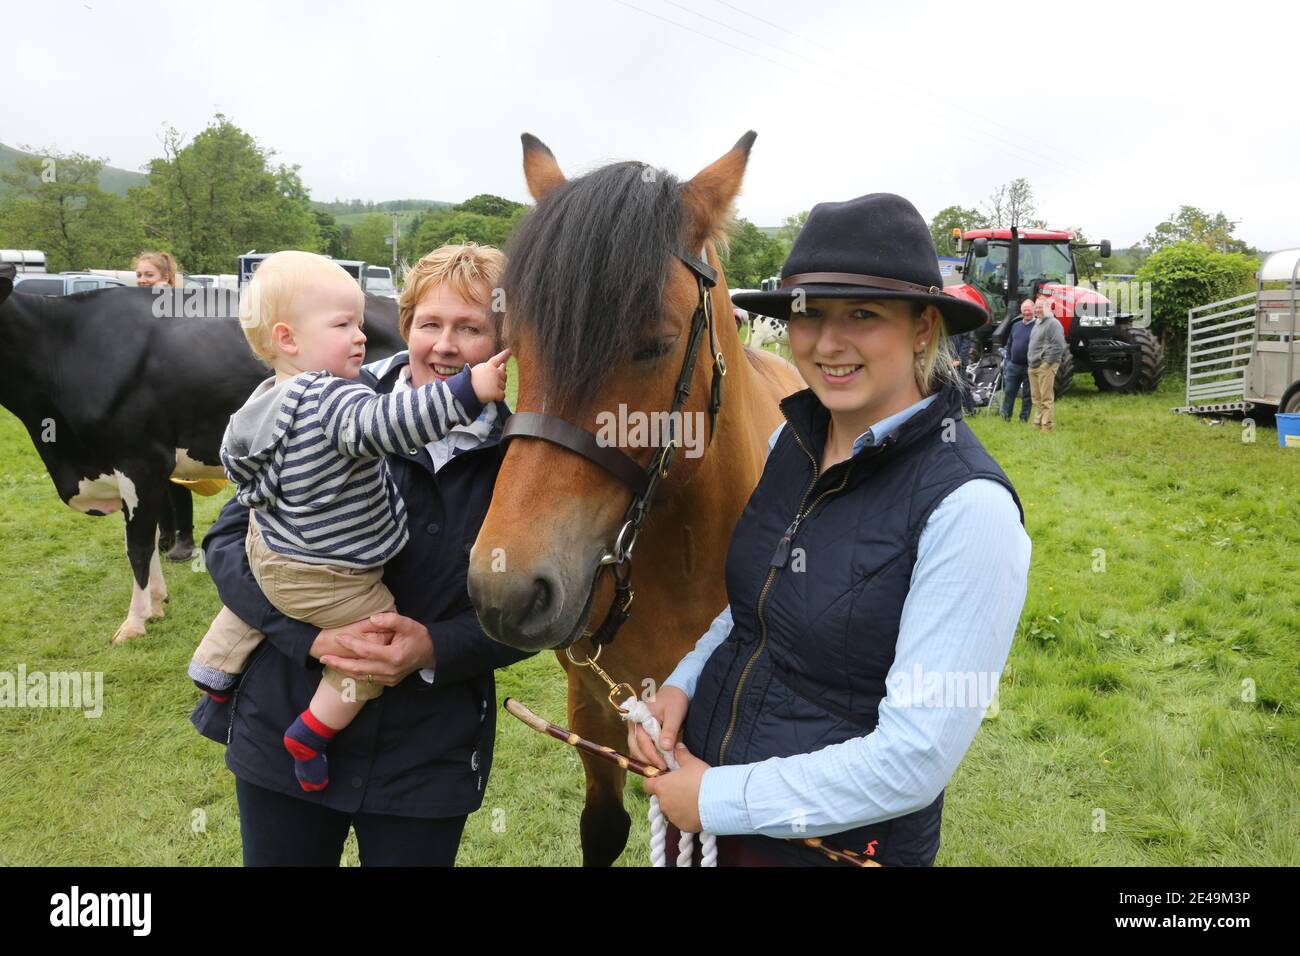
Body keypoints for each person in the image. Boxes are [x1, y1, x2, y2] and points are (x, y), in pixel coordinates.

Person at [627, 193, 1031, 867]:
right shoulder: (793, 441)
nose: (828, 343)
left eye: (863, 316)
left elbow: (913, 758)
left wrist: (720, 798)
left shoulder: (970, 509)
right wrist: (682, 683)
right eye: (808, 315)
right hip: (710, 818)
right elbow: (751, 608)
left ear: (924, 326)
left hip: (831, 848)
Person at [190, 243, 532, 865]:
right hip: (284, 724)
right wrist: (308, 639)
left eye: (471, 329)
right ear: (405, 327)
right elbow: (228, 544)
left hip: (425, 757)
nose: (446, 346)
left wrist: (435, 646)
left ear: (505, 345)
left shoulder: (528, 456)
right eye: (430, 324)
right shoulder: (326, 404)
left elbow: (535, 611)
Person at [134, 249, 194, 559]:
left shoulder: (177, 309)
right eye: (140, 275)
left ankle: (186, 536)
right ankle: (167, 531)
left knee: (178, 467)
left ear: (166, 278)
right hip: (147, 395)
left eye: (149, 275)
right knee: (155, 468)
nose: (143, 281)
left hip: (176, 394)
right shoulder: (138, 309)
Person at [1027, 294, 1067, 432]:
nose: (1037, 310)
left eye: (1040, 307)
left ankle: (1046, 426)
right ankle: (1038, 423)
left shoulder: (1053, 323)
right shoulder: (1037, 323)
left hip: (1045, 365)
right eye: (1036, 307)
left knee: (1046, 398)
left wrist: (1047, 363)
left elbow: (1059, 345)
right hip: (1033, 365)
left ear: (1047, 307)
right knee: (1036, 399)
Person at [999, 299, 1036, 422]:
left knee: (1027, 395)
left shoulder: (1037, 327)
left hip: (1029, 367)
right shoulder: (1016, 325)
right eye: (1024, 310)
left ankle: (1023, 418)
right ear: (1021, 311)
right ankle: (1005, 416)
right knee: (1009, 392)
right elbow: (1009, 344)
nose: (1026, 313)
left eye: (1029, 310)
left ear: (1034, 310)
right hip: (1013, 366)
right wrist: (1009, 360)